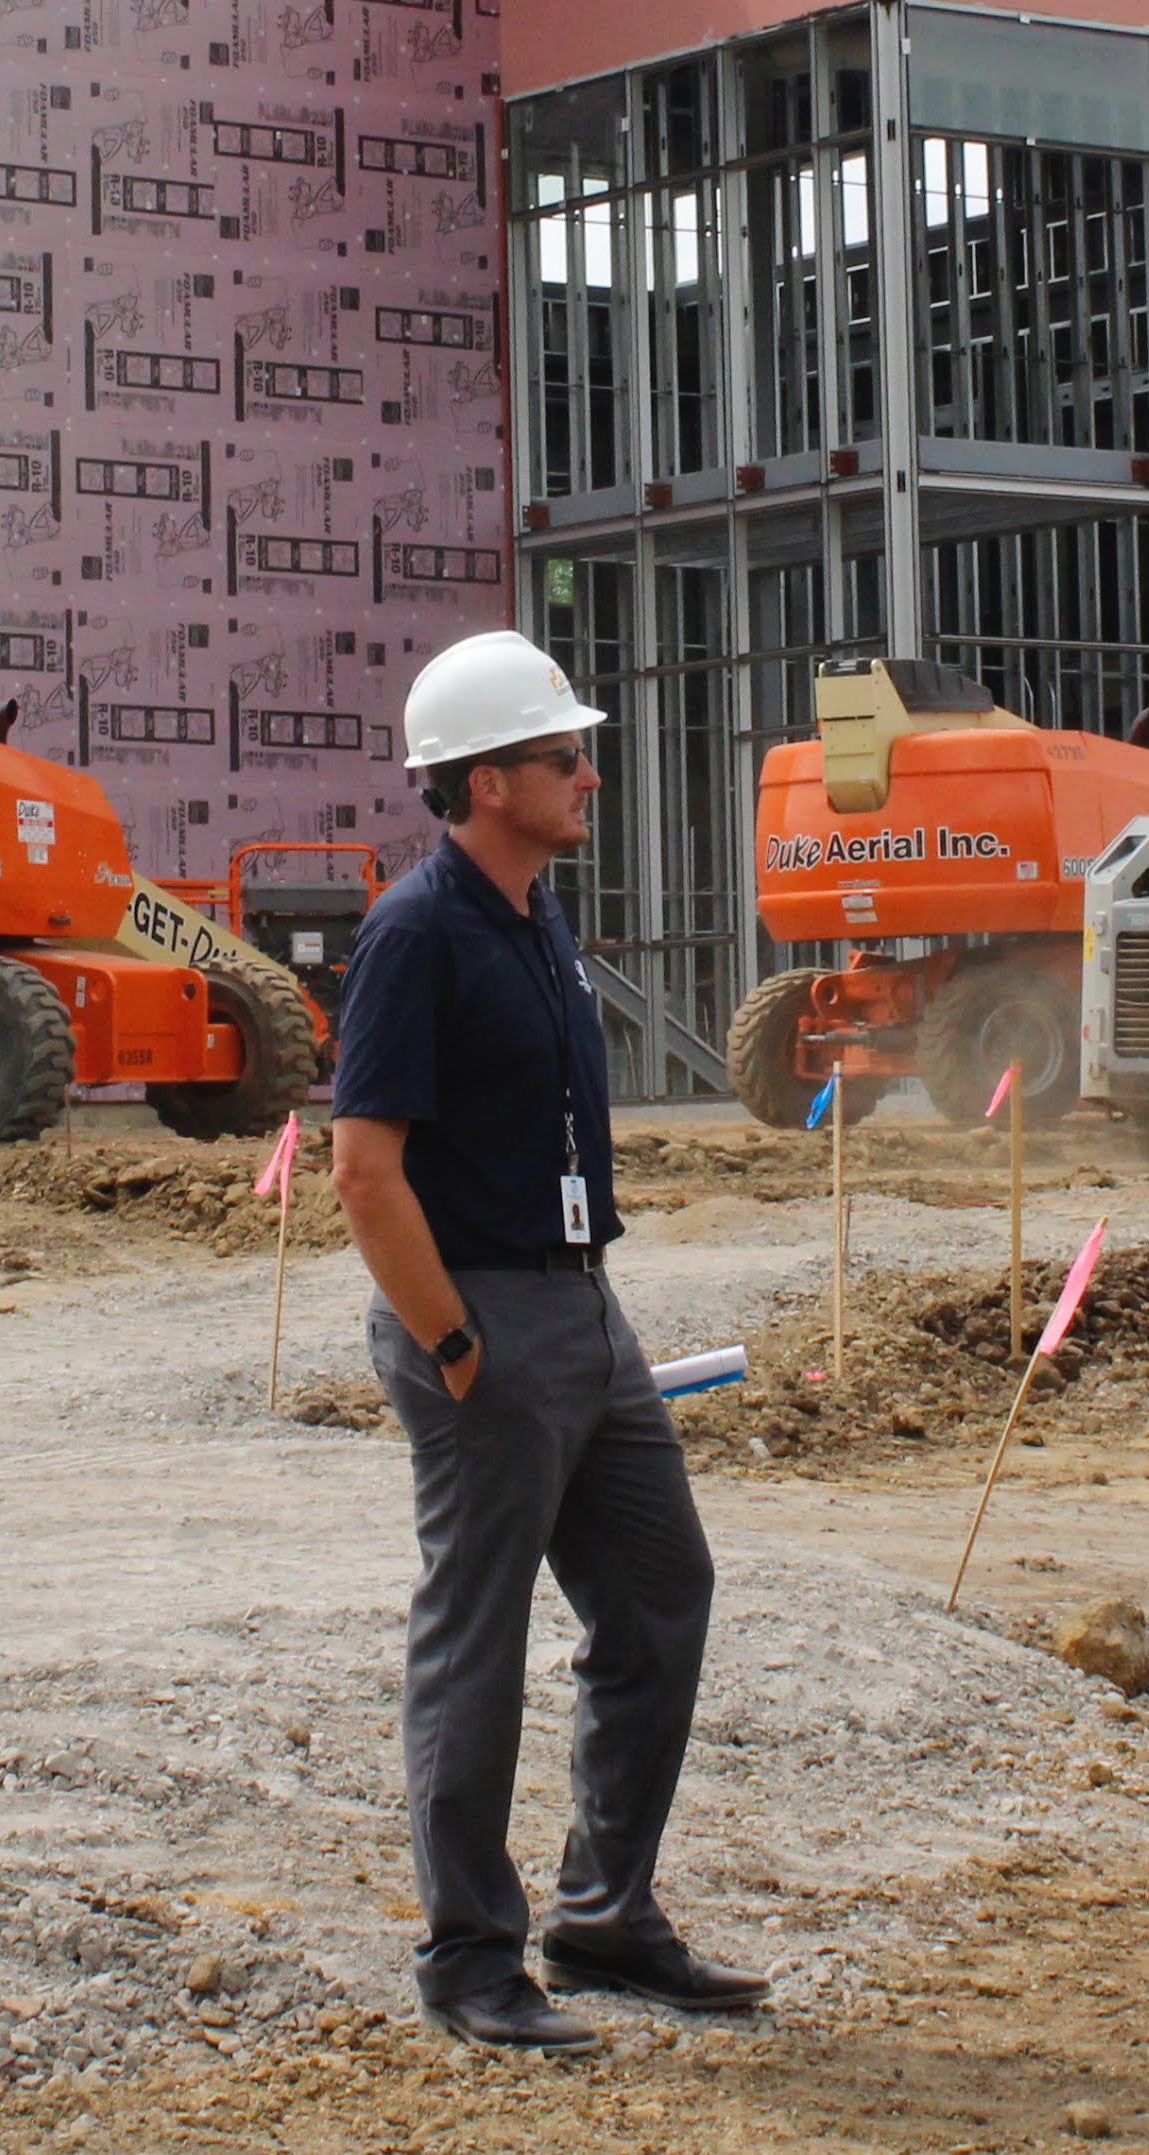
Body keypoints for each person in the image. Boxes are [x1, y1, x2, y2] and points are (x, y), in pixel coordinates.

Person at [327, 628, 765, 2053]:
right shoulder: (416, 931)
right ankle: (469, 1958)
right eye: (563, 755)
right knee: (479, 1640)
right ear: (483, 781)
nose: (589, 773)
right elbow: (361, 1167)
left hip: (579, 1299)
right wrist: (453, 1346)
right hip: (481, 1313)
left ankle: (603, 1913)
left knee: (657, 1601)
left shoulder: (535, 921)